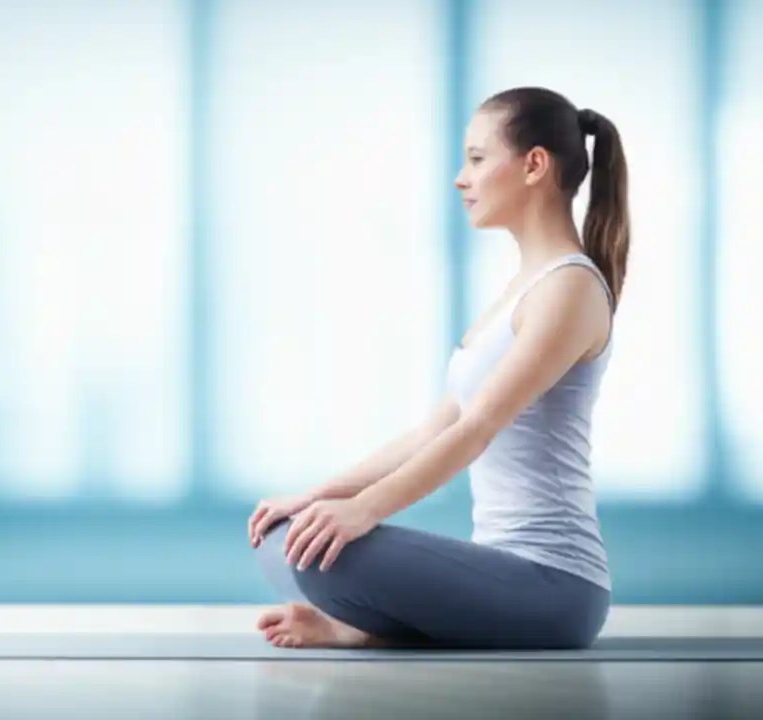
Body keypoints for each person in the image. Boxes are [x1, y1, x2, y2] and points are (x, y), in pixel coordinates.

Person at [247, 86, 629, 650]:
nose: (461, 177)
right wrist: (317, 496)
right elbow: (437, 430)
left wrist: (361, 511)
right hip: (502, 571)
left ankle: (367, 619)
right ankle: (360, 629)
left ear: (535, 166)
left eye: (476, 159)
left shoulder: (569, 288)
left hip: (555, 589)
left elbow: (477, 430)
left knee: (318, 552)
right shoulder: (524, 288)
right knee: (287, 538)